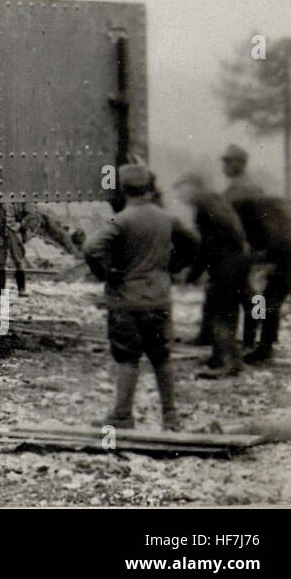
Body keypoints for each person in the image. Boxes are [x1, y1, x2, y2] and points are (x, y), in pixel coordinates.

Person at [80, 164, 199, 430]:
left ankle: (122, 416)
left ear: (123, 189)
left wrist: (107, 273)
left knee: (128, 358)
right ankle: (171, 417)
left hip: (126, 300)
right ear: (148, 187)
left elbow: (91, 247)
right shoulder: (167, 218)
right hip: (158, 298)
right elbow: (192, 242)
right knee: (162, 357)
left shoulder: (120, 220)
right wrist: (173, 267)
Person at [221, 144, 291, 362]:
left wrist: (265, 257)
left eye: (228, 161)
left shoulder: (245, 194)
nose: (224, 166)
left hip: (288, 253)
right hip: (279, 253)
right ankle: (264, 346)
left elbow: (266, 230)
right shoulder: (245, 192)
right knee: (267, 300)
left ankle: (262, 344)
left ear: (239, 163)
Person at [174, 173, 250, 378]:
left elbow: (206, 246)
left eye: (182, 190)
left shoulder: (204, 206)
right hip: (235, 261)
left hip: (227, 265)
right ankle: (220, 356)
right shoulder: (214, 201)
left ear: (193, 188)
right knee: (224, 310)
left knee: (221, 312)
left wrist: (192, 273)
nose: (180, 196)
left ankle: (228, 362)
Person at [0, 202, 28, 296]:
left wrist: (20, 225)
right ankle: (0, 290)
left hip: (14, 232)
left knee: (19, 260)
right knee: (1, 262)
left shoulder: (18, 198)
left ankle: (22, 289)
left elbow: (29, 215)